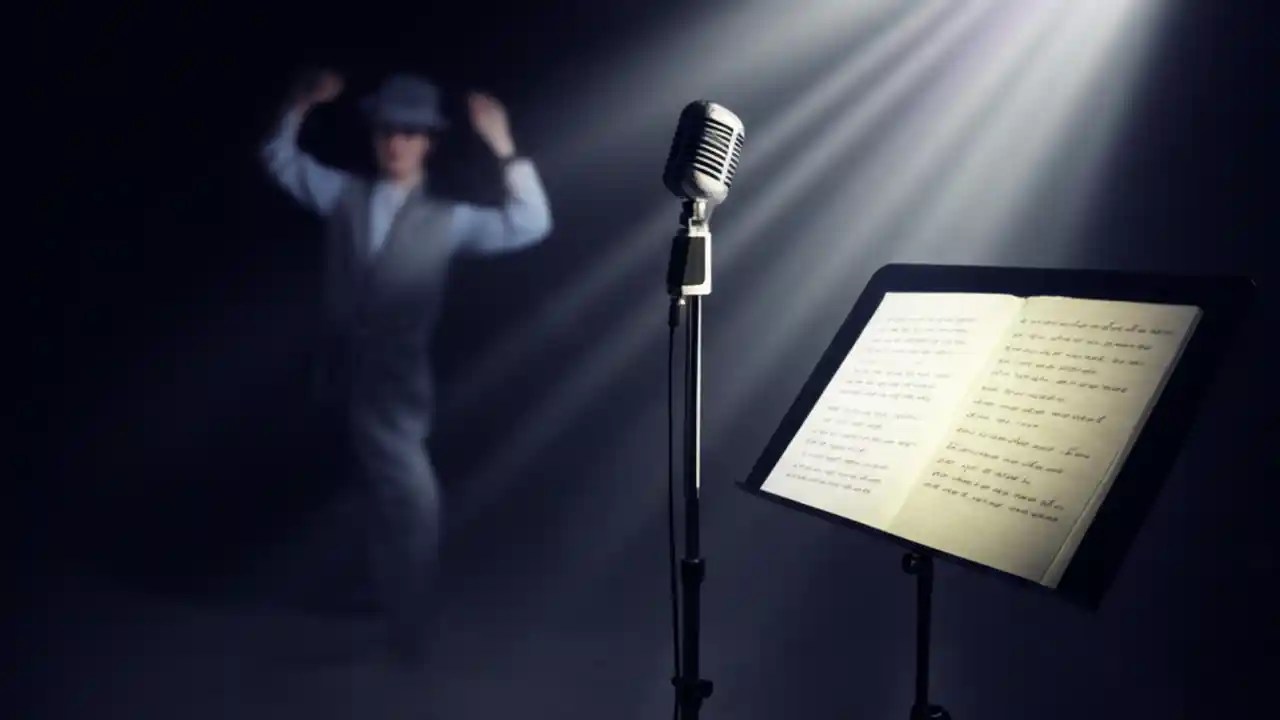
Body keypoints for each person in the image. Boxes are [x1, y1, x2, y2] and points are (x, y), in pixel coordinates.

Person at [259, 69, 553, 662]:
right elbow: (278, 159)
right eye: (388, 131)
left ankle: (409, 617)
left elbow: (530, 223)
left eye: (411, 133)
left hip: (396, 386)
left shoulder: (450, 217)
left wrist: (504, 147)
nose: (397, 143)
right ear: (375, 137)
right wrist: (298, 105)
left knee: (411, 495)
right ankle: (377, 589)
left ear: (429, 143)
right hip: (339, 371)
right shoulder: (345, 194)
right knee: (365, 489)